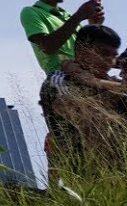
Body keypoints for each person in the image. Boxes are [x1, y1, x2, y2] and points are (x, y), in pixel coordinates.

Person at [39, 24, 127, 170]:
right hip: (84, 172)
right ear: (82, 51)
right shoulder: (59, 81)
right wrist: (116, 90)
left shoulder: (111, 82)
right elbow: (80, 114)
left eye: (113, 57)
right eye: (103, 53)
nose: (110, 62)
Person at [20, 0, 105, 75]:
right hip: (60, 76)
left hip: (83, 73)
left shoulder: (68, 17)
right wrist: (78, 16)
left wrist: (94, 26)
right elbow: (48, 46)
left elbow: (88, 52)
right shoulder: (31, 12)